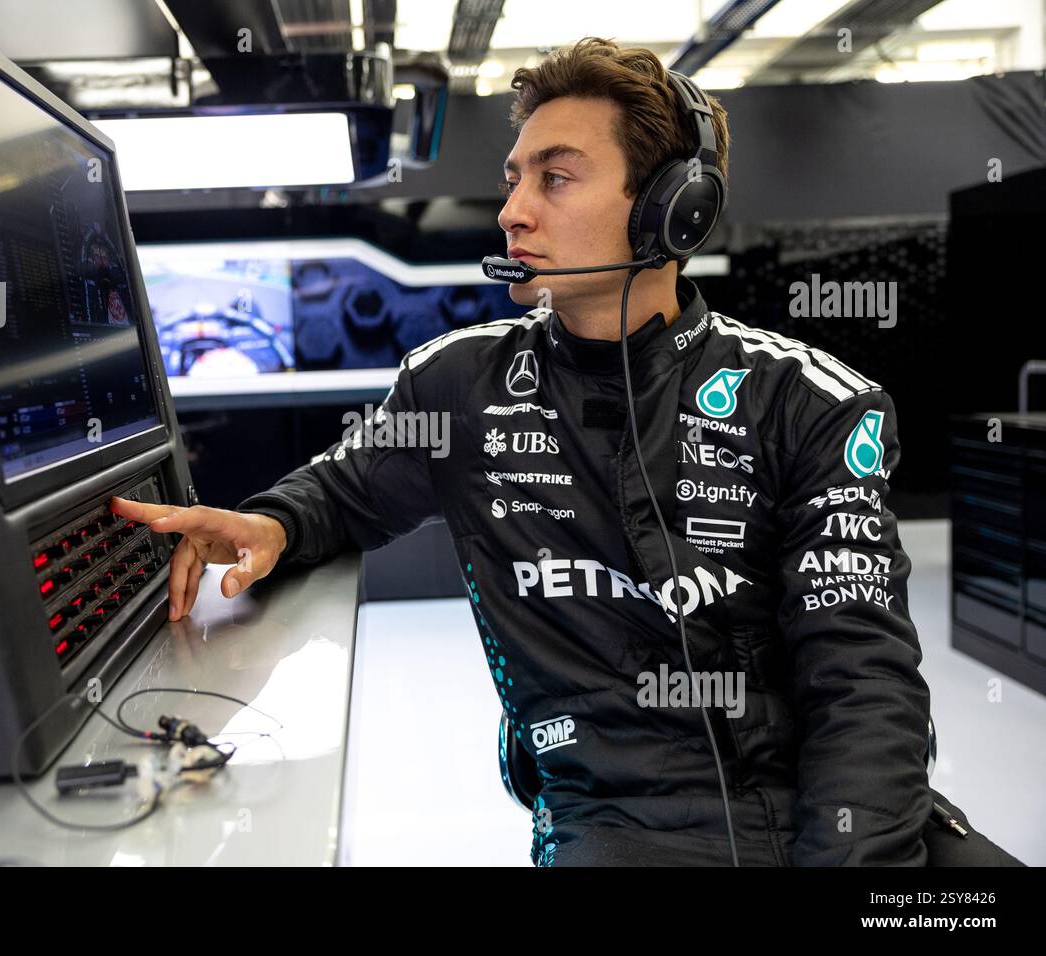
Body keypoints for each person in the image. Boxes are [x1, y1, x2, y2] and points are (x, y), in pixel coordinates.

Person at [113, 37, 1023, 867]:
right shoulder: (457, 389)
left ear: (674, 208)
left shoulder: (814, 403)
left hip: (846, 823)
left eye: (555, 178)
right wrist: (271, 523)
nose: (510, 211)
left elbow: (860, 680)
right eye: (514, 178)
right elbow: (343, 493)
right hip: (616, 832)